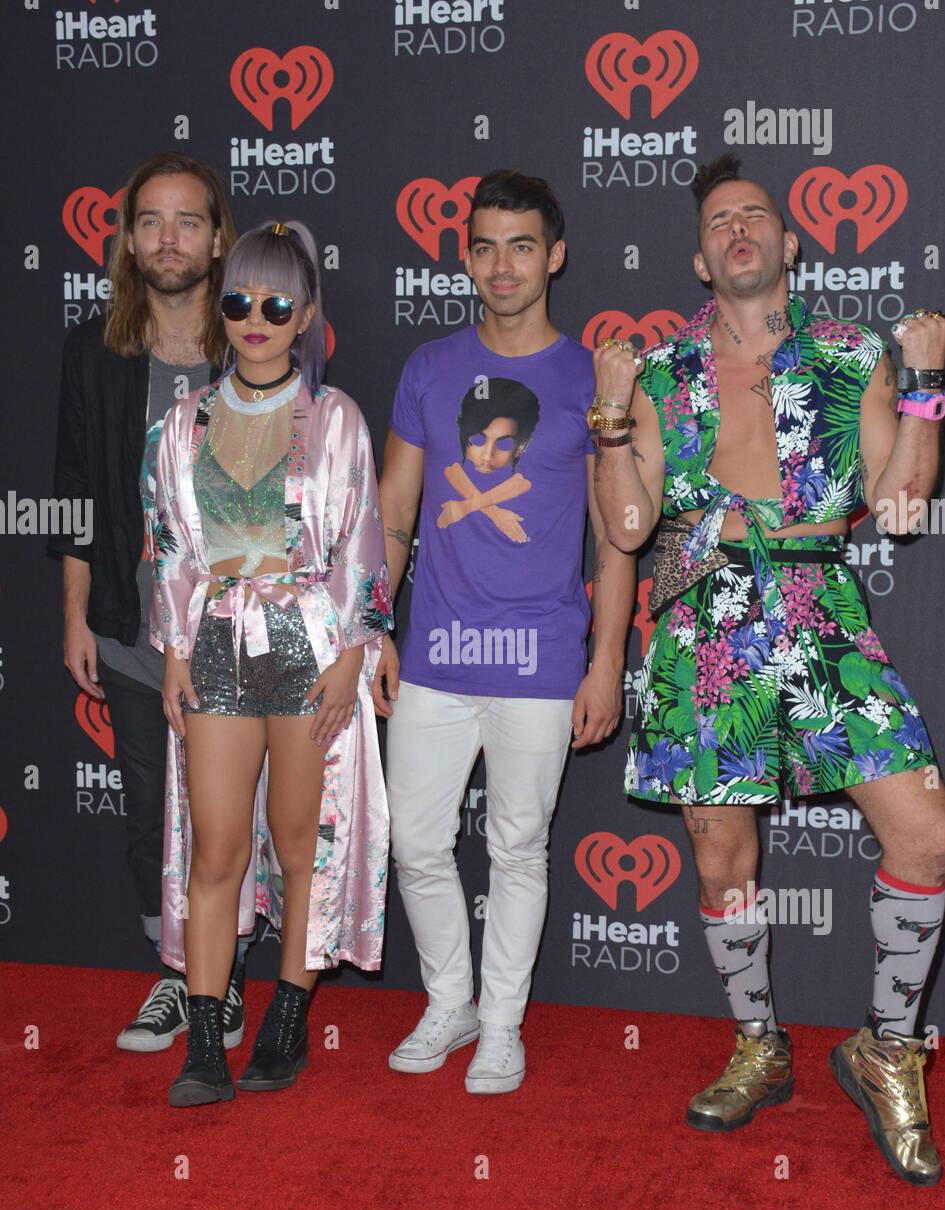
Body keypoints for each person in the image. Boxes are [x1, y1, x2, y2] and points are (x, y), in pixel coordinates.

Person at [591, 154, 945, 1185]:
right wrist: (610, 414)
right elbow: (626, 522)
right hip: (705, 622)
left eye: (757, 217)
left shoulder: (851, 354)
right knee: (721, 865)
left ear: (793, 246)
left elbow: (900, 506)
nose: (739, 230)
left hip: (819, 611)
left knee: (928, 835)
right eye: (719, 222)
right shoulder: (656, 368)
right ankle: (758, 1043)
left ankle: (886, 1043)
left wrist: (927, 384)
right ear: (702, 258)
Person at [376, 169, 636, 1094]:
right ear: (466, 256)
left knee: (519, 845)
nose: (502, 264)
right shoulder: (429, 367)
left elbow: (618, 540)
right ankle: (449, 1001)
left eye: (521, 244)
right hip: (439, 649)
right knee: (414, 840)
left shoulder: (593, 378)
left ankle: (501, 1024)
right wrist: (376, 624)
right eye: (484, 245)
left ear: (555, 255)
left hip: (541, 655)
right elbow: (395, 512)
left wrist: (607, 663)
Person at [151, 219, 392, 1106]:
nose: (256, 318)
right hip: (214, 643)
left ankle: (288, 1016)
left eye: (276, 303)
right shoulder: (186, 421)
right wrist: (174, 648)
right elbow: (173, 546)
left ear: (305, 314)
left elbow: (362, 542)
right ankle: (206, 1040)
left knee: (300, 841)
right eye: (240, 301)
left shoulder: (335, 421)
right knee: (214, 849)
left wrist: (353, 653)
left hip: (307, 646)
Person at [51, 151, 245, 1053]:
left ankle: (227, 976)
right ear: (130, 240)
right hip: (131, 627)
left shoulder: (257, 337)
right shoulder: (92, 351)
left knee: (228, 814)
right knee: (146, 811)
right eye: (152, 222)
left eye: (189, 222)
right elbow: (77, 487)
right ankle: (174, 976)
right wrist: (76, 613)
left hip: (241, 631)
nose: (170, 239)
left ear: (217, 240)